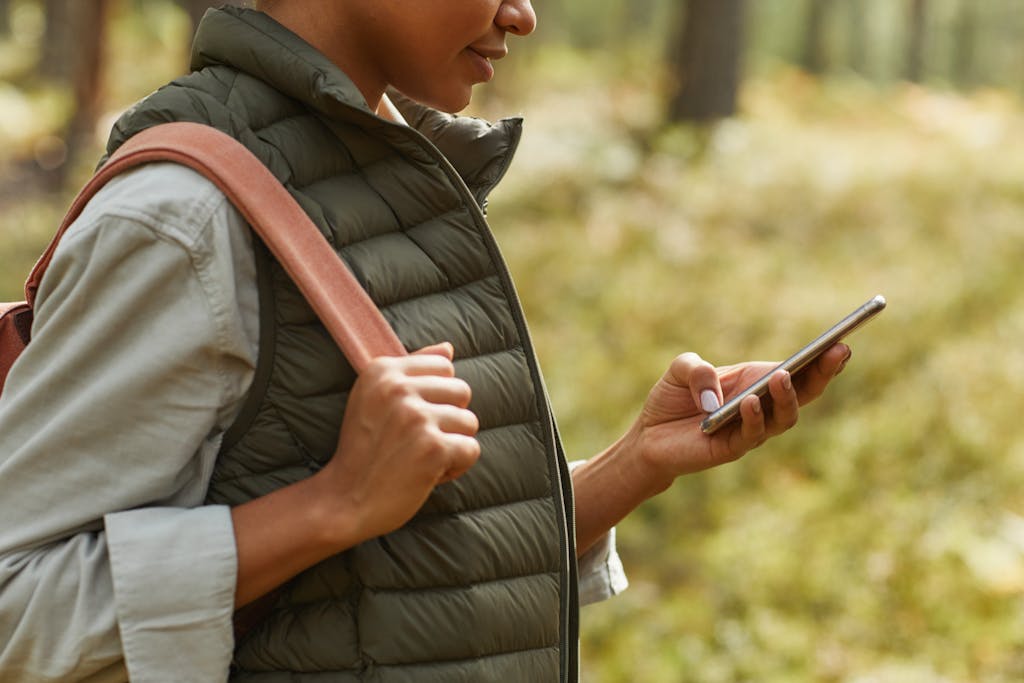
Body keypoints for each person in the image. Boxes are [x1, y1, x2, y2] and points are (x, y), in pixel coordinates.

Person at [0, 1, 851, 681]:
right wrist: (330, 504)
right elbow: (17, 608)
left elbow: (412, 567)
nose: (523, 15)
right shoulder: (179, 222)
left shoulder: (391, 167)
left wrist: (636, 461)